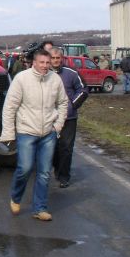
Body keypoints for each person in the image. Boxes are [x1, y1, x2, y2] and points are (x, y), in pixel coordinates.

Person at [0, 49, 68, 221]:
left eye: (47, 63)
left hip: (48, 133)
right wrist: (8, 133)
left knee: (44, 172)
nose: (45, 66)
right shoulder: (22, 79)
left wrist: (57, 126)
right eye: (42, 62)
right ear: (34, 63)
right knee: (25, 168)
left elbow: (63, 103)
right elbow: (10, 107)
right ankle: (16, 197)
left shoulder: (55, 79)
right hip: (26, 131)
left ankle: (40, 208)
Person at [49, 48, 88, 188]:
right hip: (50, 118)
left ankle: (64, 176)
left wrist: (72, 105)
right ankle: (57, 167)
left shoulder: (71, 73)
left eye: (57, 58)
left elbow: (83, 90)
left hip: (69, 118)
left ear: (62, 58)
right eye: (52, 58)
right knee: (52, 147)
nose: (55, 61)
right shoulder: (44, 74)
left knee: (66, 147)